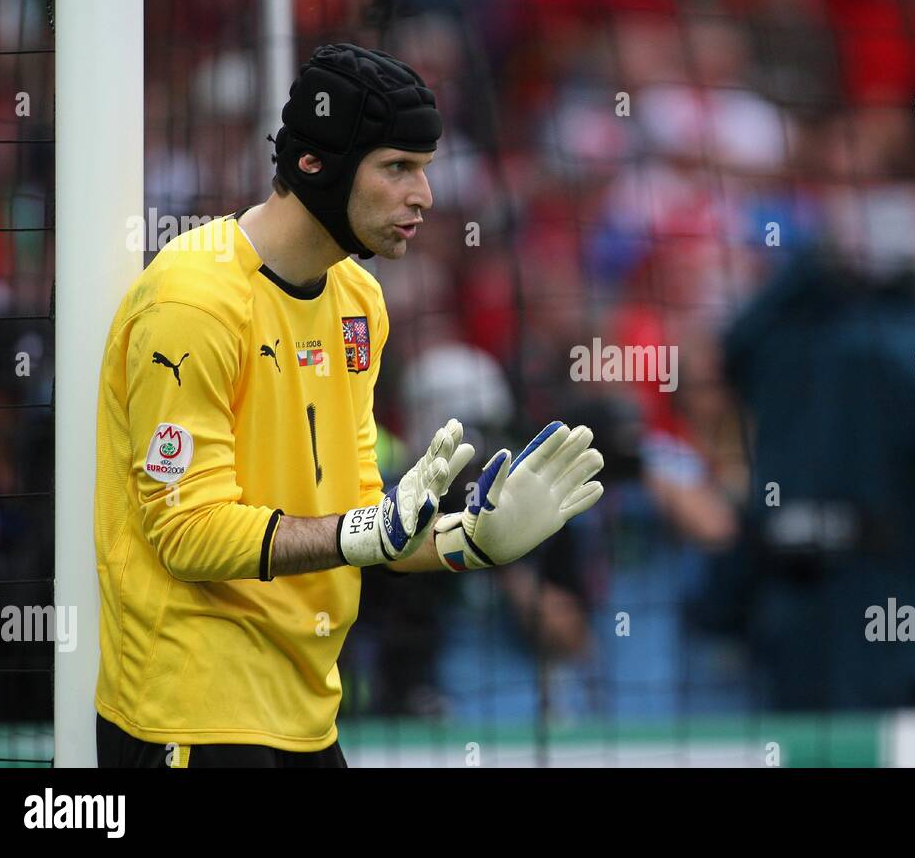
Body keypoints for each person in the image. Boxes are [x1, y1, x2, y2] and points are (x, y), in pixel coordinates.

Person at [92, 44, 604, 767]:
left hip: (305, 709)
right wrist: (361, 530)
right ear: (315, 166)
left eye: (424, 169)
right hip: (190, 709)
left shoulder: (359, 303)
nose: (424, 195)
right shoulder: (193, 303)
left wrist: (471, 542)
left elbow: (363, 518)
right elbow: (188, 535)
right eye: (398, 168)